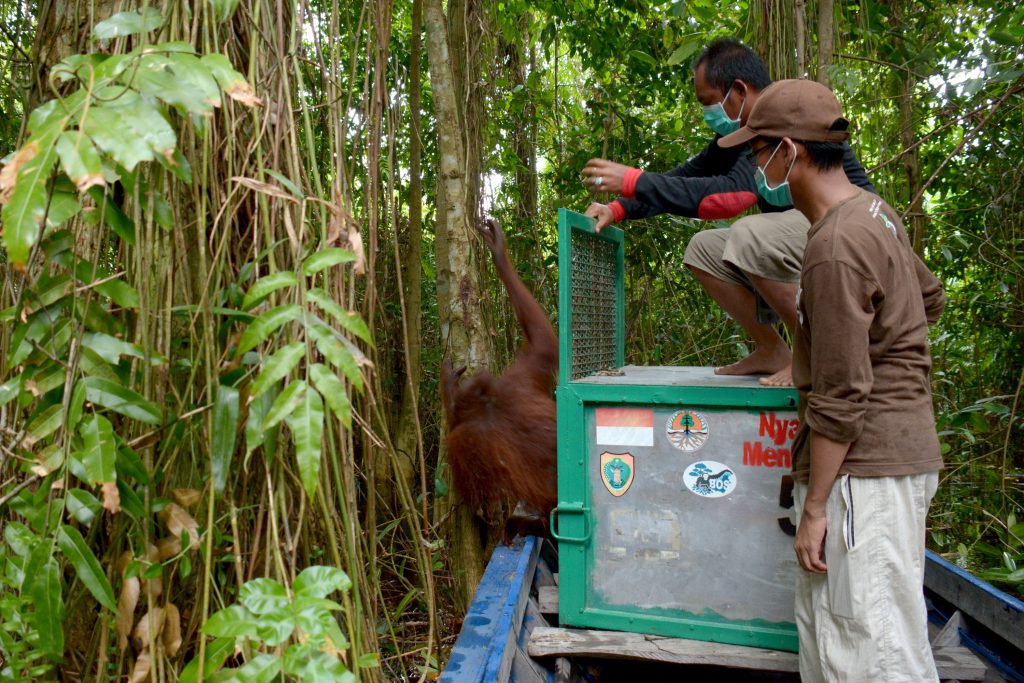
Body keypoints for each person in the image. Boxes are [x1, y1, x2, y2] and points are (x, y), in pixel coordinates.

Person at [718, 79, 945, 682]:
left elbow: (842, 395)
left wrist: (815, 506)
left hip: (865, 471)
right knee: (831, 638)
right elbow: (929, 297)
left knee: (874, 651)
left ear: (789, 152)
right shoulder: (875, 213)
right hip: (888, 459)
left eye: (759, 149)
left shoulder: (836, 246)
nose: (755, 163)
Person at [581, 38, 876, 386]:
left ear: (738, 90)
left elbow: (729, 197)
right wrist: (618, 208)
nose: (708, 114)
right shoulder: (742, 135)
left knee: (750, 234)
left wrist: (634, 180)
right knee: (704, 251)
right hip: (806, 234)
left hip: (848, 229)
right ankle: (773, 350)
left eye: (709, 102)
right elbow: (687, 177)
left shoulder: (779, 117)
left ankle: (810, 354)